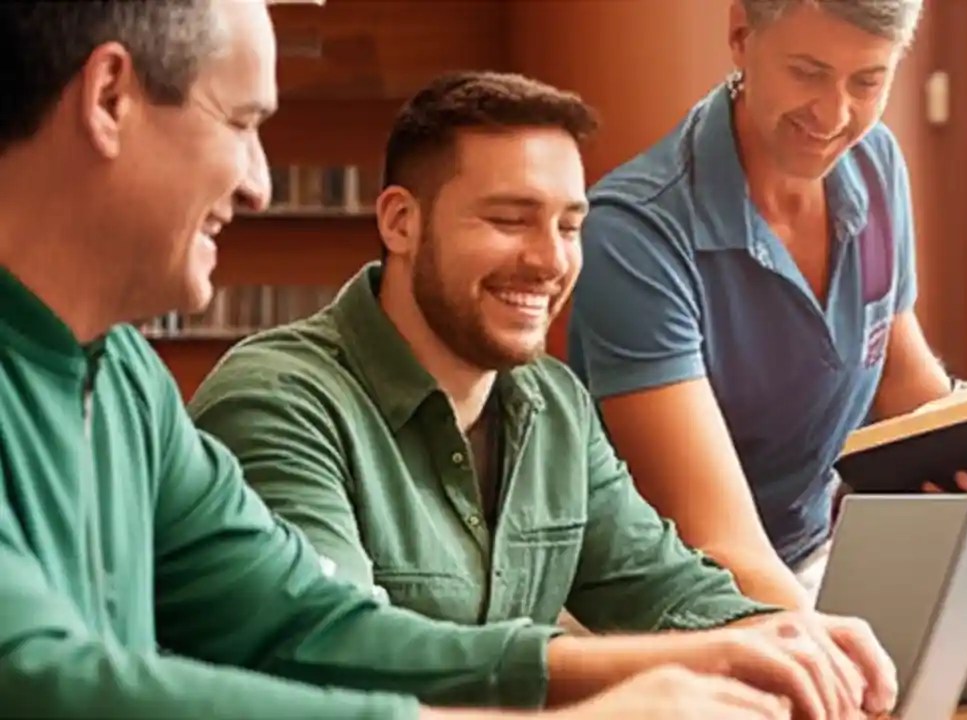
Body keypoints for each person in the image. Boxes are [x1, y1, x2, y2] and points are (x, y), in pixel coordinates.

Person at [0, 2, 798, 719]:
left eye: (568, 225)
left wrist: (721, 654)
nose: (258, 186)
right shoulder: (274, 396)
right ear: (111, 98)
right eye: (241, 124)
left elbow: (310, 624)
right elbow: (41, 682)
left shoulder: (129, 380)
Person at [188, 69, 898, 719]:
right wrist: (680, 666)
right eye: (509, 220)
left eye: (569, 225)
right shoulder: (276, 404)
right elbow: (341, 653)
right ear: (401, 222)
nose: (551, 260)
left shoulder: (555, 404)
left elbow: (668, 587)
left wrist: (789, 638)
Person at [564, 0, 957, 609]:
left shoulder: (874, 163)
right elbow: (714, 539)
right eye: (807, 73)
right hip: (674, 596)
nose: (833, 115)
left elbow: (903, 383)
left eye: (866, 82)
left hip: (812, 563)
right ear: (741, 35)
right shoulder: (633, 235)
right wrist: (832, 646)